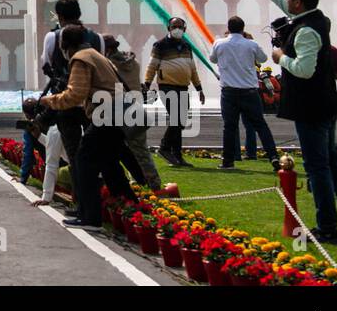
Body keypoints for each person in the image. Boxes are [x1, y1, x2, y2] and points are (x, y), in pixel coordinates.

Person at [241, 0, 337, 243]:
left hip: (312, 107)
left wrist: (280, 57)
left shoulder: (306, 30)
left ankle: (327, 227)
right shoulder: (311, 18)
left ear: (297, 3)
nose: (284, 0)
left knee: (317, 168)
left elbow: (304, 70)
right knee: (332, 162)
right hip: (324, 104)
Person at [37, 24, 136, 230]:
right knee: (110, 165)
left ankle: (91, 217)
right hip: (116, 114)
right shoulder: (96, 55)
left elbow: (75, 94)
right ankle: (132, 210)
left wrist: (50, 101)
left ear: (65, 46)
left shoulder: (80, 59)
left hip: (105, 115)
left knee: (83, 162)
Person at [210, 16, 280, 170]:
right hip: (249, 92)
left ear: (228, 28)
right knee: (261, 125)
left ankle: (228, 161)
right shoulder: (251, 44)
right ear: (243, 28)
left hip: (229, 93)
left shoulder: (219, 43)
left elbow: (213, 59)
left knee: (229, 127)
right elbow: (263, 58)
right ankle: (274, 157)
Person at [102, 34, 162, 191]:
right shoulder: (133, 63)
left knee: (113, 151)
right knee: (140, 150)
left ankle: (136, 184)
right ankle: (152, 182)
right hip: (135, 109)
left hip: (117, 111)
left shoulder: (108, 65)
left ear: (106, 49)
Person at [144, 16, 204, 167]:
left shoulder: (186, 46)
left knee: (181, 121)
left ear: (184, 29)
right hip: (167, 86)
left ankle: (177, 156)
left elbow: (192, 69)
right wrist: (147, 83)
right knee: (177, 119)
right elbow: (152, 66)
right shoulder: (160, 45)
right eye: (174, 26)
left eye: (179, 27)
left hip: (183, 87)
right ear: (168, 28)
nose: (177, 29)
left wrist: (199, 88)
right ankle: (164, 148)